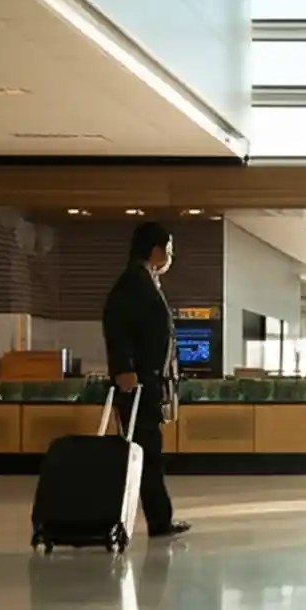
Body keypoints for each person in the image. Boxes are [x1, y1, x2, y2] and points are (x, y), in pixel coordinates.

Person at [102, 221, 190, 539]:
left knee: (149, 451)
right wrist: (124, 368)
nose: (170, 257)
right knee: (145, 451)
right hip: (137, 384)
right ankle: (155, 520)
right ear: (155, 251)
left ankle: (159, 519)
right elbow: (117, 326)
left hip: (149, 384)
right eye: (168, 250)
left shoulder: (146, 281)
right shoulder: (133, 283)